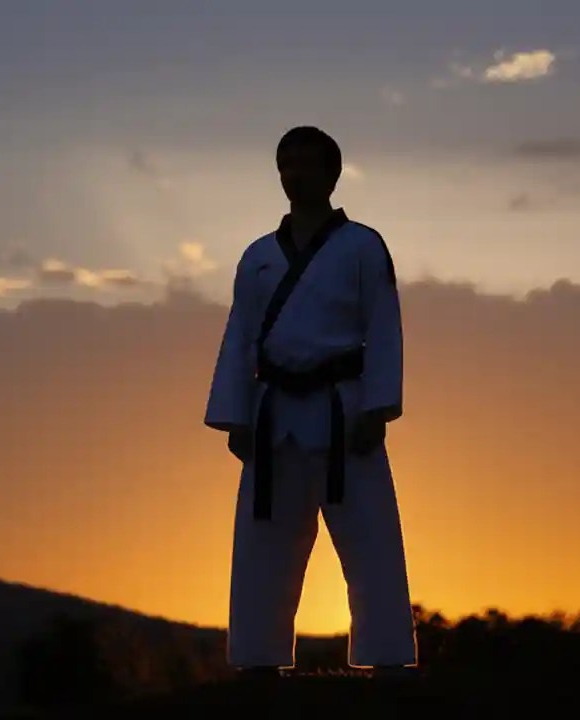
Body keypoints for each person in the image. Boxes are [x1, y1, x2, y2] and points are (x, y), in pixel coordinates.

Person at [204, 126, 418, 679]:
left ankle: (387, 656)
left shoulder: (363, 246)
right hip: (274, 415)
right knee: (263, 545)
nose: (294, 174)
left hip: (345, 411)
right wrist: (235, 415)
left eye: (305, 164)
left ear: (332, 173)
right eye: (286, 164)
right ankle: (256, 658)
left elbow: (384, 327)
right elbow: (239, 336)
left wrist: (379, 406)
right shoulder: (257, 257)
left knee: (371, 540)